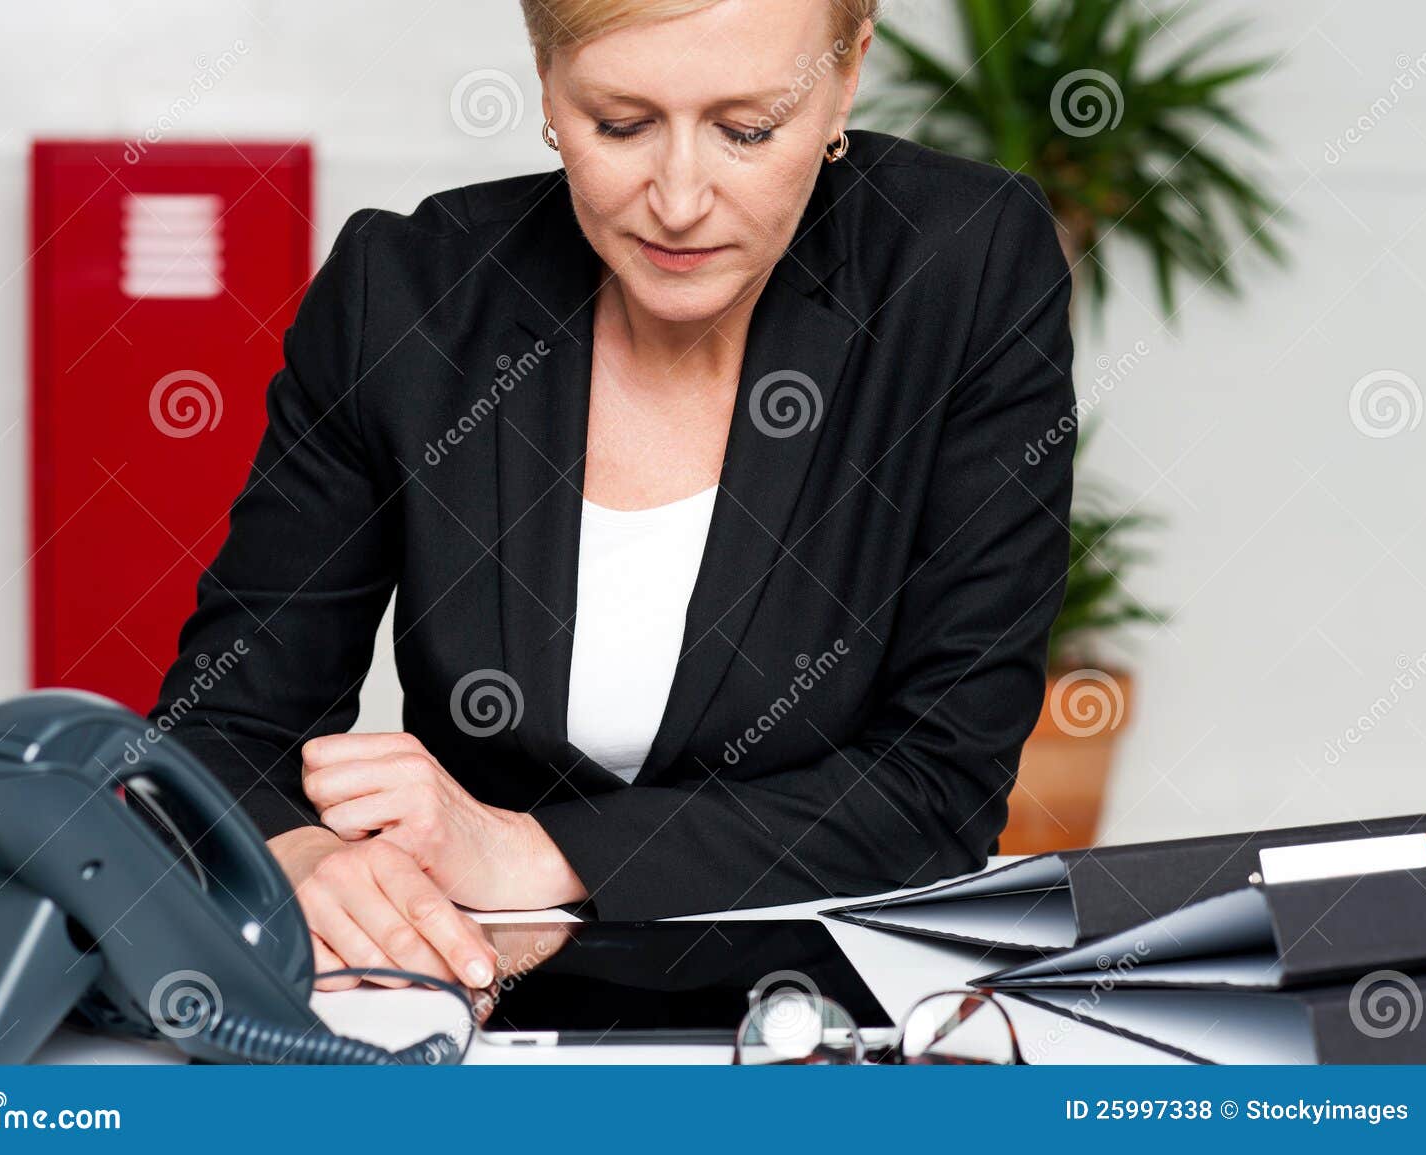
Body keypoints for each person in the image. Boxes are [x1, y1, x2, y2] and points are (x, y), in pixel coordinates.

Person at [151, 0, 1076, 993]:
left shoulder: (962, 266)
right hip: (473, 1001)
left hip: (831, 1017)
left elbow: (937, 785)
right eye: (620, 124)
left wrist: (536, 851)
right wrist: (300, 858)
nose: (678, 199)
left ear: (847, 75)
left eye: (747, 130)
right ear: (546, 82)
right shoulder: (407, 294)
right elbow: (223, 727)